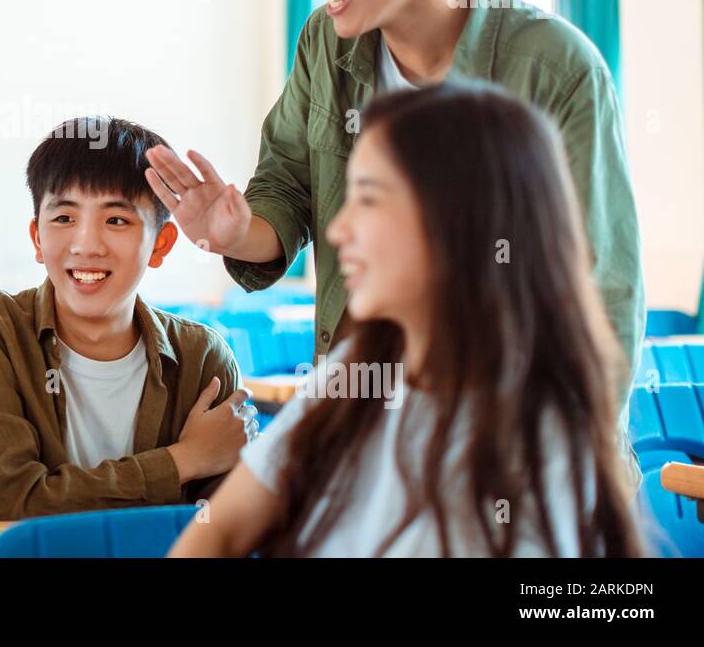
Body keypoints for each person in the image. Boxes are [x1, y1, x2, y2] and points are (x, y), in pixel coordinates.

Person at [145, 0, 644, 406]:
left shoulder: (553, 67)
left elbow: (600, 294)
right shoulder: (325, 42)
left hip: (504, 434)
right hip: (364, 417)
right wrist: (238, 232)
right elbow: (290, 188)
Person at [169, 83, 644, 557]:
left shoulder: (540, 442)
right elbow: (220, 531)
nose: (337, 230)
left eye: (369, 200)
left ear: (459, 220)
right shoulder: (360, 369)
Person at [0, 116, 255, 521]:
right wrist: (184, 460)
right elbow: (6, 507)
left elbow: (229, 526)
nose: (86, 244)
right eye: (64, 218)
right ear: (38, 239)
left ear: (160, 244)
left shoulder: (202, 358)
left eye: (116, 220)